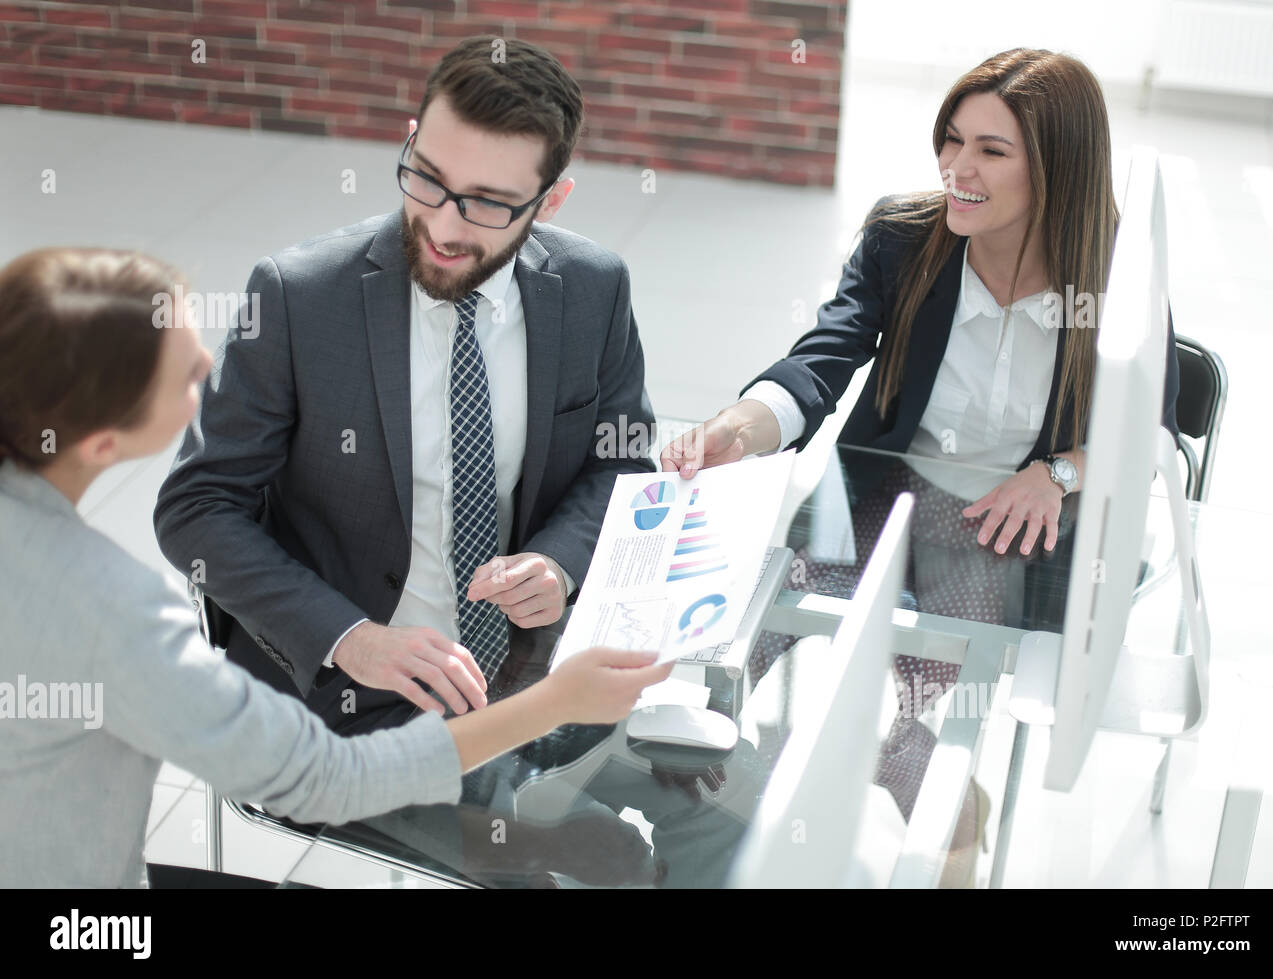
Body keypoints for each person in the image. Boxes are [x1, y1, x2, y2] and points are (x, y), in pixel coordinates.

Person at [662, 48, 1181, 885]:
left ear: (1060, 164)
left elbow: (1150, 424)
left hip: (1000, 524)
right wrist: (742, 425)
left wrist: (1059, 473)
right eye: (951, 140)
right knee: (748, 655)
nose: (956, 168)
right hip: (881, 486)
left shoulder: (1118, 273)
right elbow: (826, 354)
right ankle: (719, 836)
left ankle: (937, 819)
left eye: (990, 150)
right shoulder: (907, 237)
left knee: (891, 716)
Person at [0, 247, 673, 888]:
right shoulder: (113, 611)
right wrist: (553, 706)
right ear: (103, 441)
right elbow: (327, 779)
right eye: (186, 374)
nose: (211, 363)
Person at [153, 37, 657, 735]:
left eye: (487, 204)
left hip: (532, 673)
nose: (444, 228)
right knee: (516, 837)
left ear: (551, 201)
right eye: (427, 178)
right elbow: (195, 507)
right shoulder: (298, 299)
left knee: (671, 818)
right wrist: (352, 638)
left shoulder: (595, 289)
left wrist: (559, 561)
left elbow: (621, 466)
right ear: (410, 139)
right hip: (341, 693)